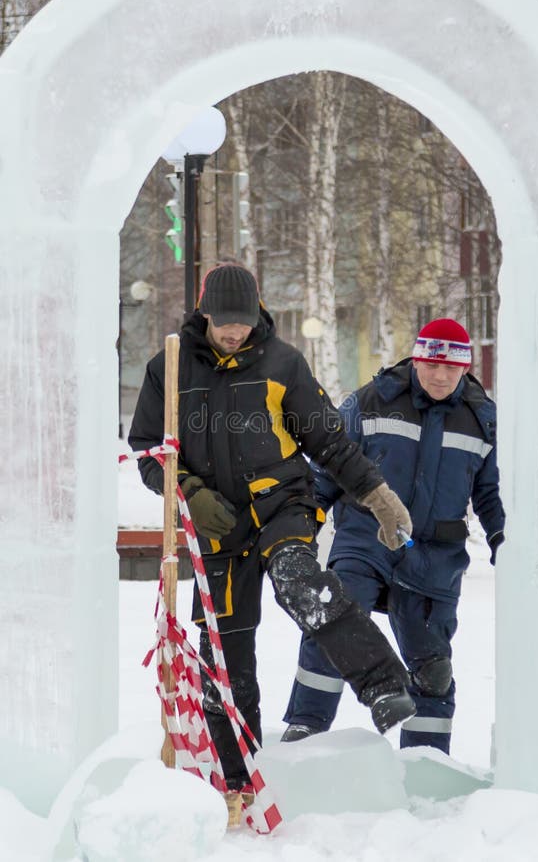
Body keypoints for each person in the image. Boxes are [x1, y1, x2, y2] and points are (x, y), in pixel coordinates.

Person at [129, 262, 417, 794]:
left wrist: (378, 497)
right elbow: (149, 450)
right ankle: (237, 778)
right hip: (215, 524)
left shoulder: (283, 363)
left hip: (281, 505)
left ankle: (382, 684)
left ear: (256, 314)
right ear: (205, 314)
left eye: (242, 321)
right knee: (224, 651)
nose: (234, 331)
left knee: (299, 581)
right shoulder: (168, 368)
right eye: (223, 322)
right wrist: (188, 493)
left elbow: (329, 442)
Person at [282, 318, 505, 754]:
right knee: (336, 620)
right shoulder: (372, 401)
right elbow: (329, 465)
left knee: (433, 669)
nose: (440, 376)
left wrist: (502, 541)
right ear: (417, 359)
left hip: (435, 555)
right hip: (367, 536)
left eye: (451, 368)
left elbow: (490, 493)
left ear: (466, 368)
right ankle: (304, 732)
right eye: (431, 365)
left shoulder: (482, 420)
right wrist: (303, 521)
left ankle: (425, 764)